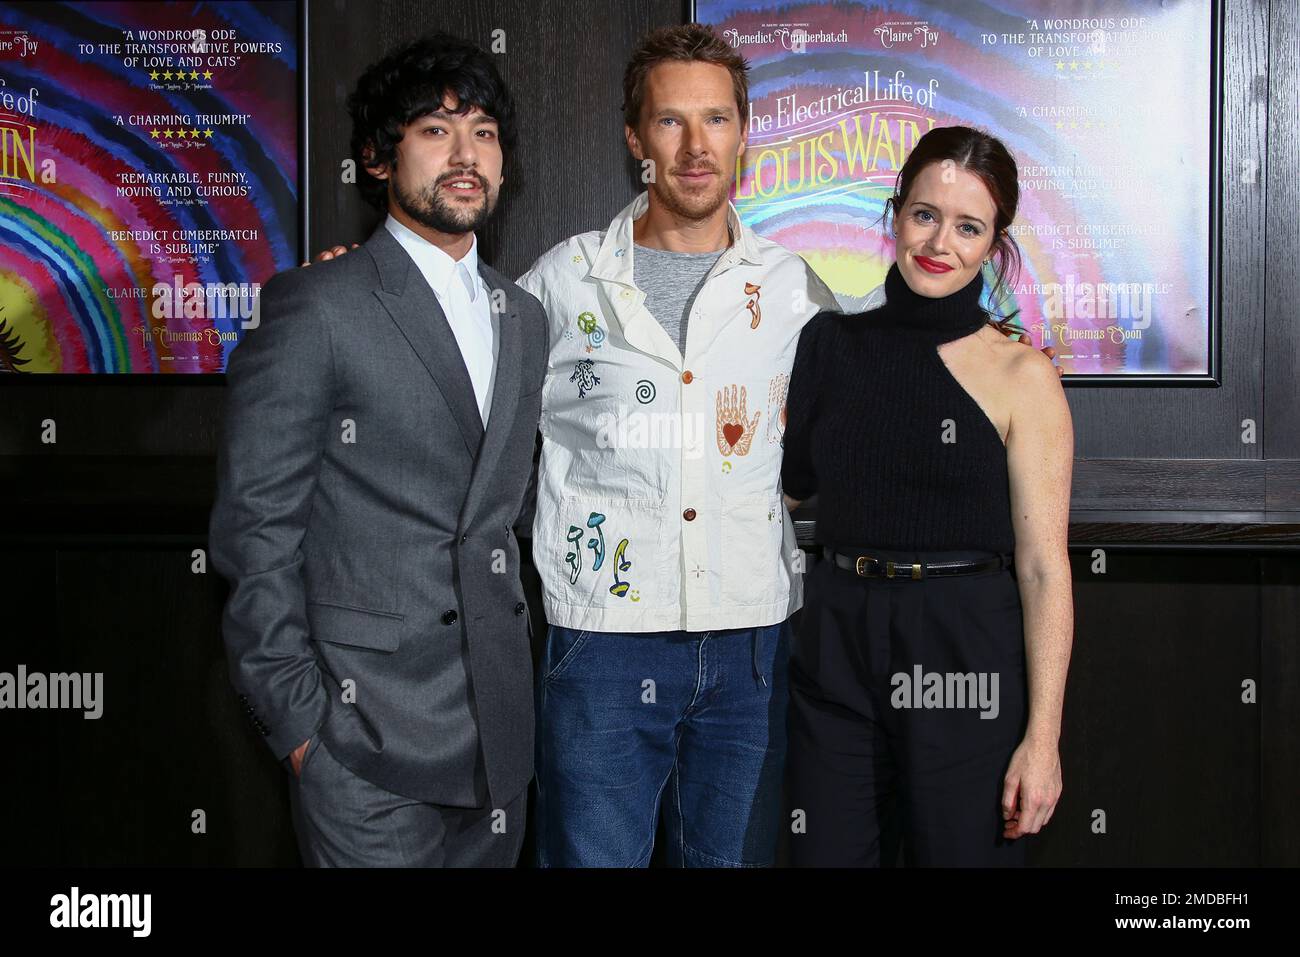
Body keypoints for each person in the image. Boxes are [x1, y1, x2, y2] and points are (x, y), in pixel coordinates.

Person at [209, 33, 547, 867]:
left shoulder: (526, 317)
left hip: (498, 748)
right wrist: (301, 732)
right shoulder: (316, 307)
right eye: (436, 130)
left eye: (485, 133)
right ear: (377, 158)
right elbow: (255, 536)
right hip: (361, 748)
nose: (466, 154)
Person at [781, 125, 1074, 866]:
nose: (939, 240)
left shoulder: (1022, 376)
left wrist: (1042, 740)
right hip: (836, 638)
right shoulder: (828, 345)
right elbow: (783, 493)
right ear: (895, 215)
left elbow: (1044, 568)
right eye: (924, 214)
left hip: (962, 647)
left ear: (993, 245)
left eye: (968, 225)